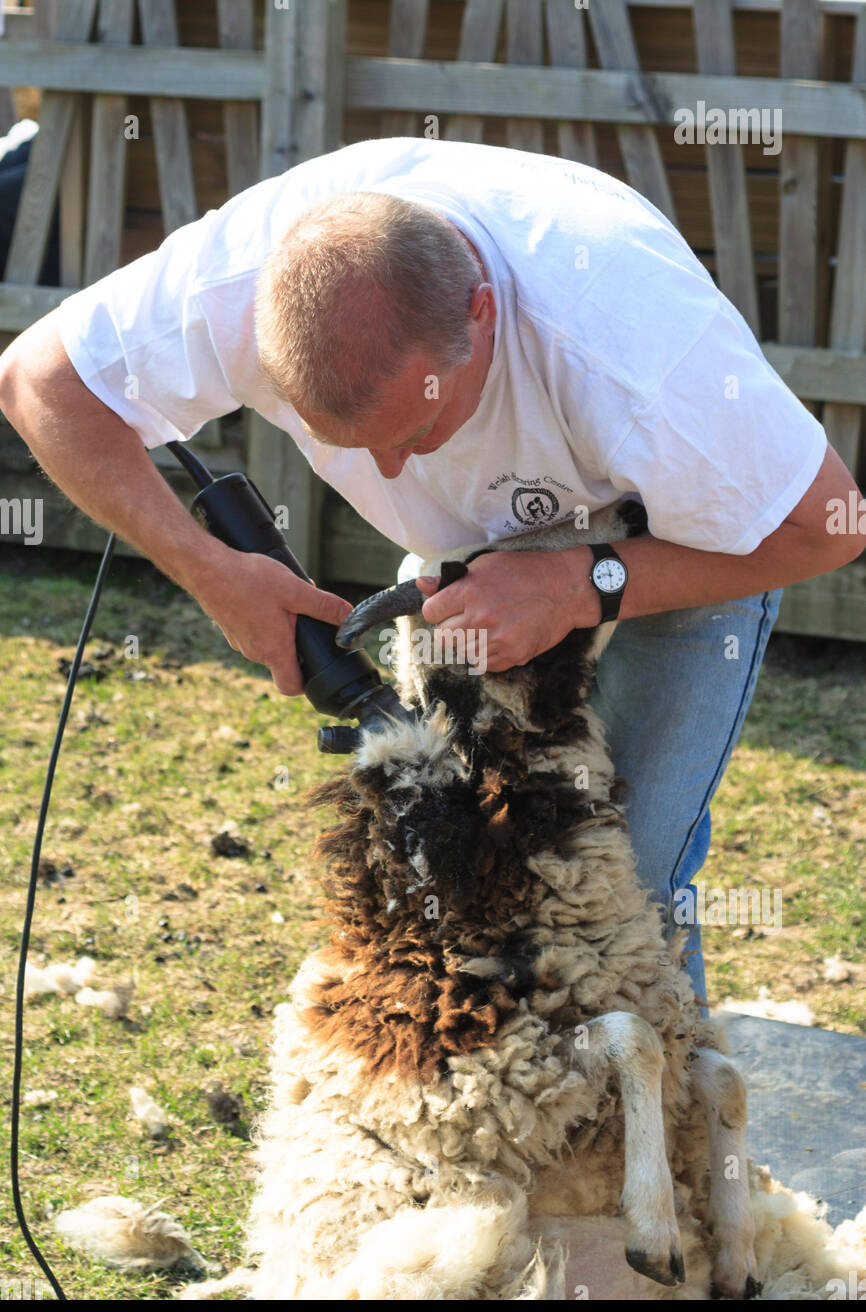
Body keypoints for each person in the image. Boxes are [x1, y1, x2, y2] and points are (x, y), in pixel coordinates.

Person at [0, 137, 862, 1007]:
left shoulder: (633, 341)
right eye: (349, 444)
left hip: (680, 544)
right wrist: (211, 571)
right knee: (460, 844)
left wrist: (577, 585)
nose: (390, 472)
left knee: (624, 871)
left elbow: (828, 527)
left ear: (481, 312)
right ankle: (510, 1113)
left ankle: (663, 1125)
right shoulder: (233, 283)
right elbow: (38, 381)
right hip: (471, 562)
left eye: (414, 432)